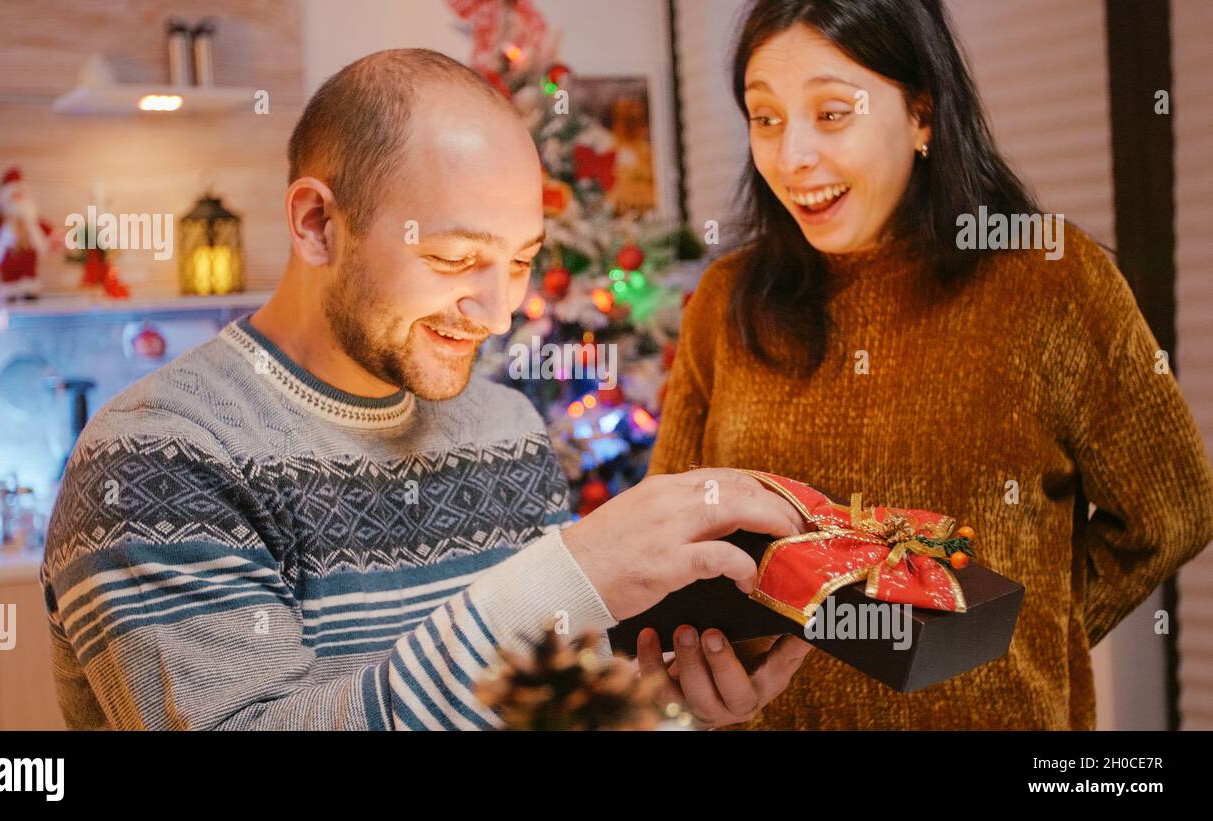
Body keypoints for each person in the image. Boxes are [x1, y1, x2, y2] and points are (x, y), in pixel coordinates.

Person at [40, 48, 812, 731]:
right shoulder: (158, 456)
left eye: (519, 261)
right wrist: (569, 573)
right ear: (315, 224)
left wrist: (660, 708)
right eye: (452, 258)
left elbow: (534, 705)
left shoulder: (504, 425)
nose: (499, 311)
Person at [649, 0, 1213, 729]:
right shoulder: (727, 302)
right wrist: (707, 672)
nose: (792, 158)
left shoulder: (1047, 278)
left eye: (830, 114)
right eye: (766, 118)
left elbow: (1171, 512)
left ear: (922, 115)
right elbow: (674, 534)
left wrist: (1000, 636)